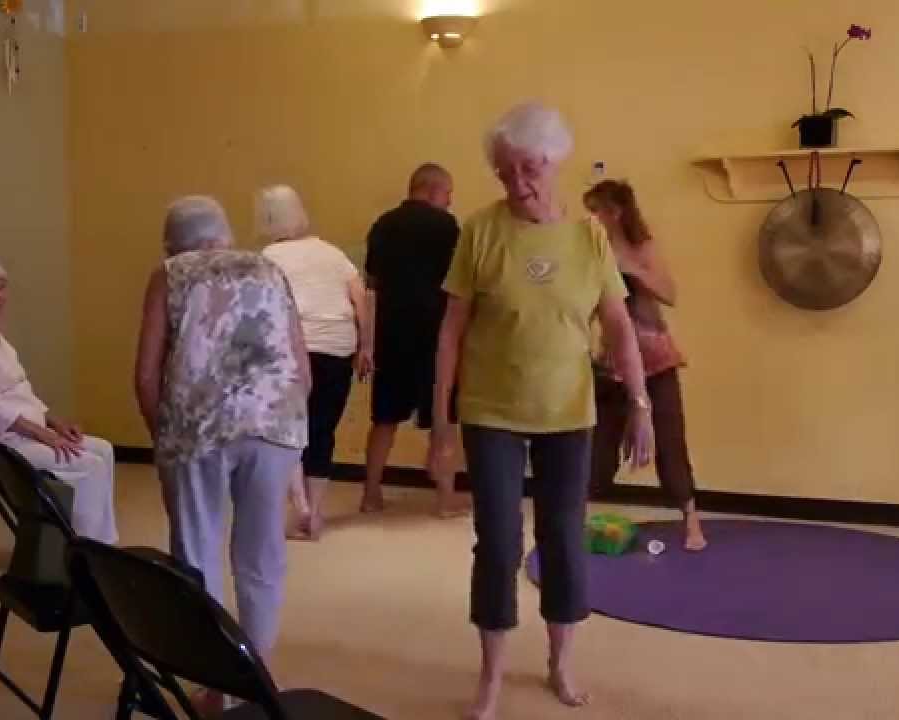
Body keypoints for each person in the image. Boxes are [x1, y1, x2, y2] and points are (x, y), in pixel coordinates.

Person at [429, 102, 654, 720]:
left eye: (528, 168)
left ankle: (561, 662)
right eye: (504, 172)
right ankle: (491, 679)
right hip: (490, 410)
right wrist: (441, 425)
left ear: (555, 162)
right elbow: (450, 331)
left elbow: (618, 325)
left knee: (563, 539)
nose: (516, 183)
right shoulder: (478, 230)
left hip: (567, 411)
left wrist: (640, 404)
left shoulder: (589, 236)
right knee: (498, 543)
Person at [134, 196, 309, 692]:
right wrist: (291, 434)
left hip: (196, 430)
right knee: (262, 554)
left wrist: (163, 440)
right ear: (225, 234)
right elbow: (301, 366)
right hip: (274, 424)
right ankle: (257, 675)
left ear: (172, 243)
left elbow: (146, 375)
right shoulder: (271, 270)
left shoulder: (170, 271)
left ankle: (211, 680)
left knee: (197, 550)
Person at [0, 253, 118, 544]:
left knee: (105, 450)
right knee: (90, 465)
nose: (0, 297)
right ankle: (89, 556)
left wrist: (55, 424)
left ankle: (97, 544)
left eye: (2, 288)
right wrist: (42, 434)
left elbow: (20, 391)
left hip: (21, 436)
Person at [583, 180, 708, 551]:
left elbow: (669, 293)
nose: (591, 218)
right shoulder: (592, 250)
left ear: (615, 212)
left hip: (655, 357)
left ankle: (691, 520)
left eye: (596, 211)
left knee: (669, 439)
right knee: (599, 444)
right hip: (612, 362)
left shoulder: (642, 247)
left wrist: (631, 270)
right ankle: (574, 517)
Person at [257, 184, 372, 540]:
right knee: (322, 430)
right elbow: (361, 299)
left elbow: (263, 309)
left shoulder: (268, 258)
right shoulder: (332, 253)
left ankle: (301, 509)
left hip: (292, 350)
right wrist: (366, 348)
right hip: (338, 348)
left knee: (288, 431)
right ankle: (316, 512)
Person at [363, 162, 468, 516]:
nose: (450, 201)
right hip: (435, 332)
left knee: (385, 417)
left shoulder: (383, 224)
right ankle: (445, 498)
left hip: (390, 333)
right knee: (442, 417)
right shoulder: (446, 226)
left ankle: (371, 493)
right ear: (430, 189)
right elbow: (459, 282)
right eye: (448, 192)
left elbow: (372, 282)